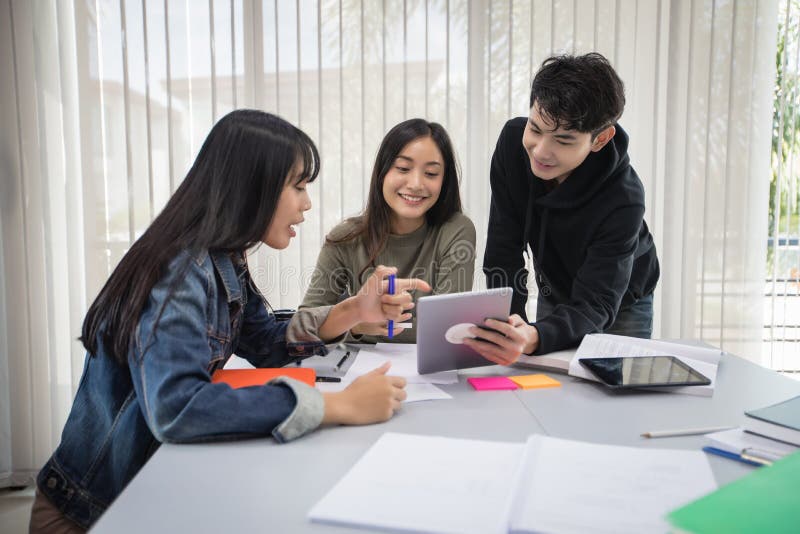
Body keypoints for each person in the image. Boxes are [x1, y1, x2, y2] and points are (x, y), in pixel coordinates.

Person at [29, 110, 430, 533]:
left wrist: (353, 311)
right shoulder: (180, 272)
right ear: (252, 187)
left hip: (151, 496)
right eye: (298, 186)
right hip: (91, 514)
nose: (307, 203)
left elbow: (265, 341)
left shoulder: (222, 258)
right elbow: (178, 408)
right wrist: (336, 406)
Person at [470, 52, 660, 364]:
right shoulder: (512, 146)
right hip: (557, 290)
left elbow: (597, 303)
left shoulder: (624, 198)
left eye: (564, 140)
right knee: (549, 387)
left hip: (620, 300)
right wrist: (511, 327)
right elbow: (504, 248)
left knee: (616, 397)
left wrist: (536, 335)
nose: (541, 151)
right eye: (535, 129)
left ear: (600, 139)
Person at [300, 118, 476, 343]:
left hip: (430, 372)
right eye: (403, 168)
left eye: (431, 173)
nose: (415, 184)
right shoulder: (345, 239)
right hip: (358, 371)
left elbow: (448, 330)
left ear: (444, 181)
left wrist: (348, 321)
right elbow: (303, 327)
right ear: (382, 172)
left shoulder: (456, 231)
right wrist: (358, 324)